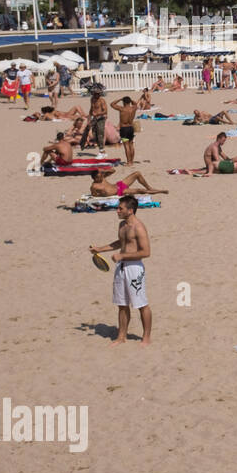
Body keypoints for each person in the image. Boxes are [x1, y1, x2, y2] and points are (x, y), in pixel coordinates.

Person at [90, 195, 152, 345]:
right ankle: (121, 336)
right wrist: (100, 249)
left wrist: (122, 255)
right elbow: (120, 242)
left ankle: (146, 338)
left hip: (134, 268)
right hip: (121, 267)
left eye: (120, 208)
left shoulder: (139, 227)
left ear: (130, 210)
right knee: (122, 304)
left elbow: (146, 252)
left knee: (141, 304)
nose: (116, 210)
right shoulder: (122, 225)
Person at [90, 168, 168, 197]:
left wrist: (104, 171)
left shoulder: (102, 177)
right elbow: (94, 195)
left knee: (137, 173)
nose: (101, 177)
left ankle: (149, 187)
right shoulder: (94, 186)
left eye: (101, 175)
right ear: (95, 178)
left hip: (119, 185)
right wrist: (104, 194)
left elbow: (113, 170)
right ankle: (160, 191)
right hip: (119, 191)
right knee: (140, 190)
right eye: (99, 177)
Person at [113, 96, 137, 166]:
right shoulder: (133, 108)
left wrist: (120, 99)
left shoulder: (122, 109)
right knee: (131, 145)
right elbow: (135, 103)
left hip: (124, 129)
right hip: (131, 128)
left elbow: (112, 104)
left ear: (123, 102)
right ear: (129, 102)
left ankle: (129, 162)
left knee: (126, 146)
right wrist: (131, 100)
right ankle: (131, 161)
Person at [83, 87, 108, 152]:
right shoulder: (92, 99)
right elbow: (91, 108)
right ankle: (101, 149)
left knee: (100, 134)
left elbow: (105, 111)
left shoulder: (102, 100)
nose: (97, 95)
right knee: (94, 134)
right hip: (94, 118)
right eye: (95, 94)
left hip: (100, 119)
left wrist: (97, 114)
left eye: (98, 94)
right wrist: (89, 118)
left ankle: (102, 150)